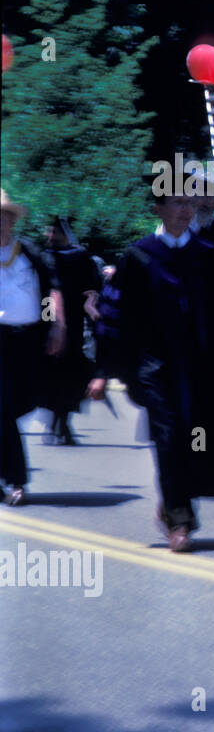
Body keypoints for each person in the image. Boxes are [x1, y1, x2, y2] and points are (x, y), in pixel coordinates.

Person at [93, 190, 214, 551]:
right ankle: (181, 519)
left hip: (204, 364)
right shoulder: (138, 257)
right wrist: (104, 370)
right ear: (158, 207)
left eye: (190, 203)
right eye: (177, 203)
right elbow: (114, 316)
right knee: (170, 436)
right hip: (156, 365)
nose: (187, 210)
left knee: (198, 437)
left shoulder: (207, 256)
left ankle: (173, 502)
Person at [1, 191, 66, 505]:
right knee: (2, 409)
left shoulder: (28, 252)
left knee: (21, 403)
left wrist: (56, 325)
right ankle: (16, 480)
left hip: (28, 339)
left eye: (4, 217)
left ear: (12, 221)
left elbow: (50, 292)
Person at [40, 216, 99, 446]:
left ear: (65, 234)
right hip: (48, 324)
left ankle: (63, 420)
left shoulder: (80, 257)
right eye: (49, 231)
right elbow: (42, 292)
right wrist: (47, 323)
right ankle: (57, 419)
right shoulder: (44, 257)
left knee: (74, 375)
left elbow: (92, 289)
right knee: (50, 375)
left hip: (74, 324)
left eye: (55, 231)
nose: (50, 236)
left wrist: (91, 307)